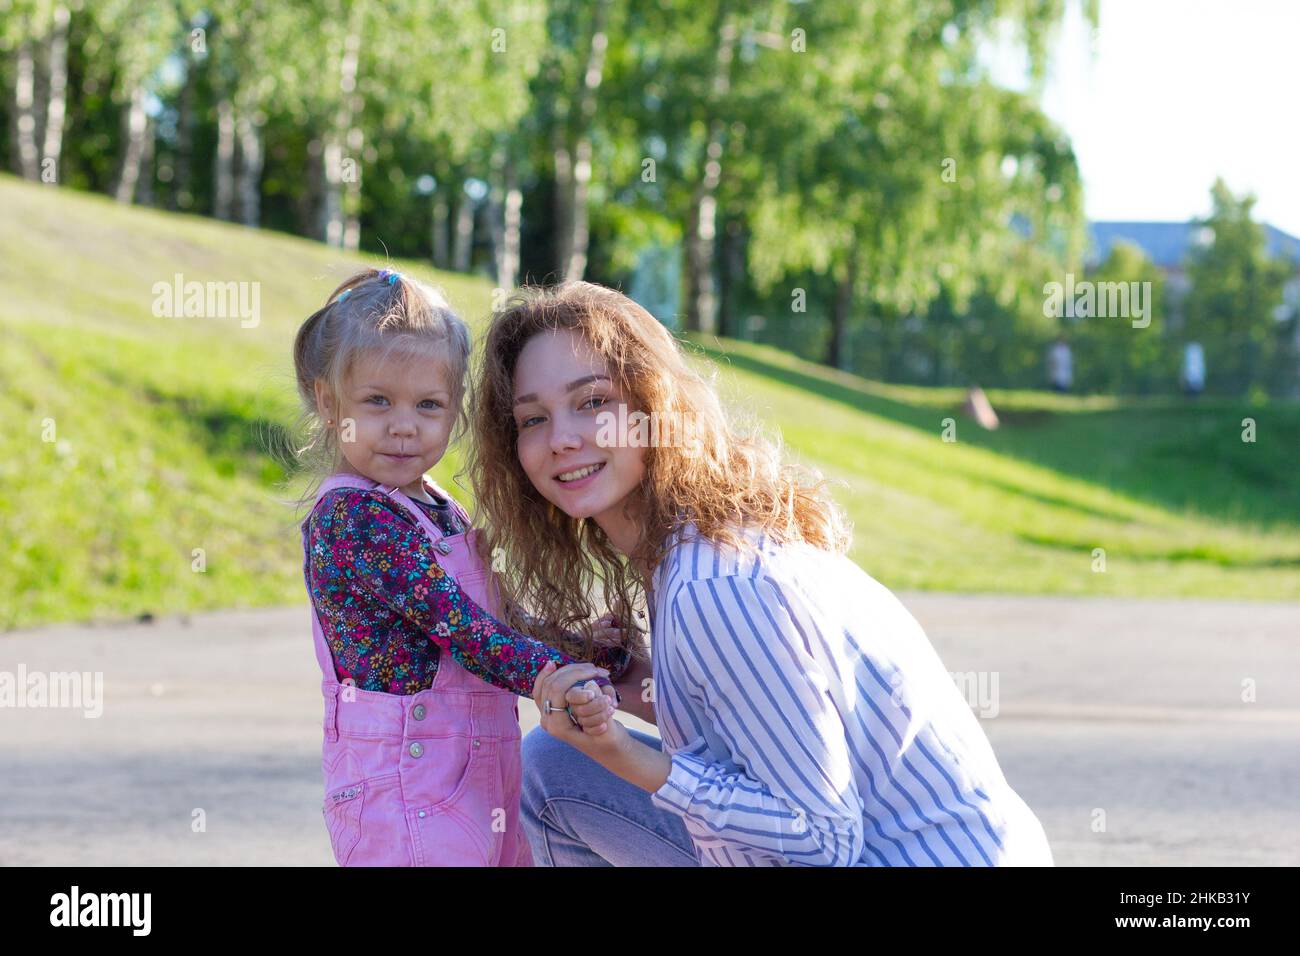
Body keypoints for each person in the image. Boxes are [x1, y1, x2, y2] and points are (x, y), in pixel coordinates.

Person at [471, 281, 1055, 866]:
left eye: (593, 401)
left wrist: (621, 751)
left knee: (557, 770)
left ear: (654, 406)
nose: (562, 439)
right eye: (532, 419)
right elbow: (756, 735)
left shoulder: (717, 583)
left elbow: (818, 840)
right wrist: (638, 685)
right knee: (555, 766)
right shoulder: (702, 540)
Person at [291, 267, 626, 866]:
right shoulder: (355, 520)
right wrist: (557, 675)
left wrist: (579, 650)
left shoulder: (437, 507)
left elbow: (497, 619)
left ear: (455, 410)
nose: (403, 425)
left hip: (479, 775)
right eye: (377, 402)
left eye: (428, 404)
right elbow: (465, 633)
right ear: (327, 401)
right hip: (403, 789)